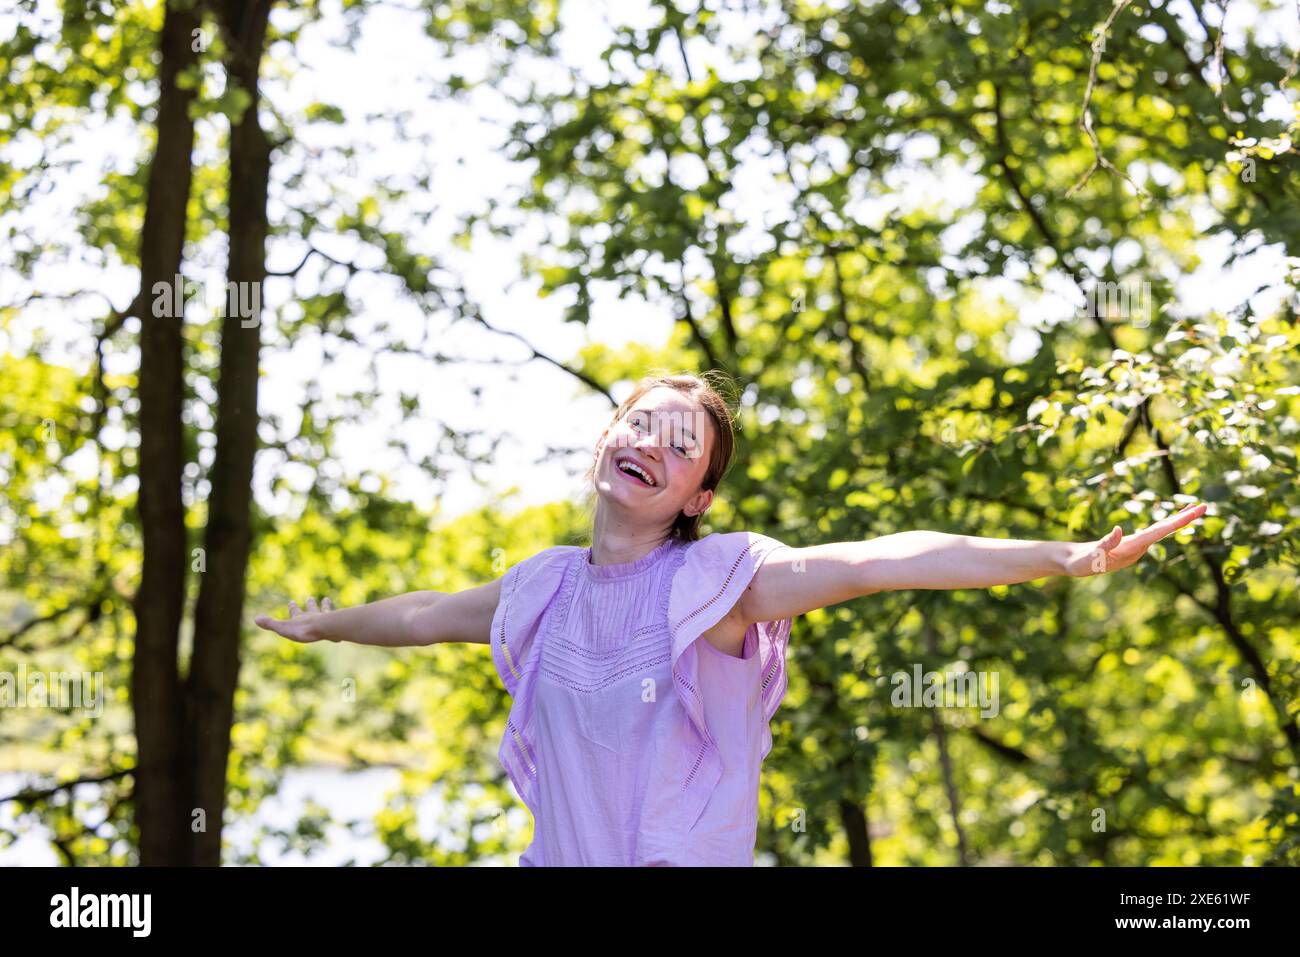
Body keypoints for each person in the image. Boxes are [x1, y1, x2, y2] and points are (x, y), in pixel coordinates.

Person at [255, 370, 1208, 866]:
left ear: (698, 497)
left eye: (681, 444)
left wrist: (1065, 557)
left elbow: (881, 561)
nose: (648, 443)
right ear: (606, 440)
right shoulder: (542, 588)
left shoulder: (717, 586)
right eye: (638, 422)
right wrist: (329, 624)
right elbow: (424, 613)